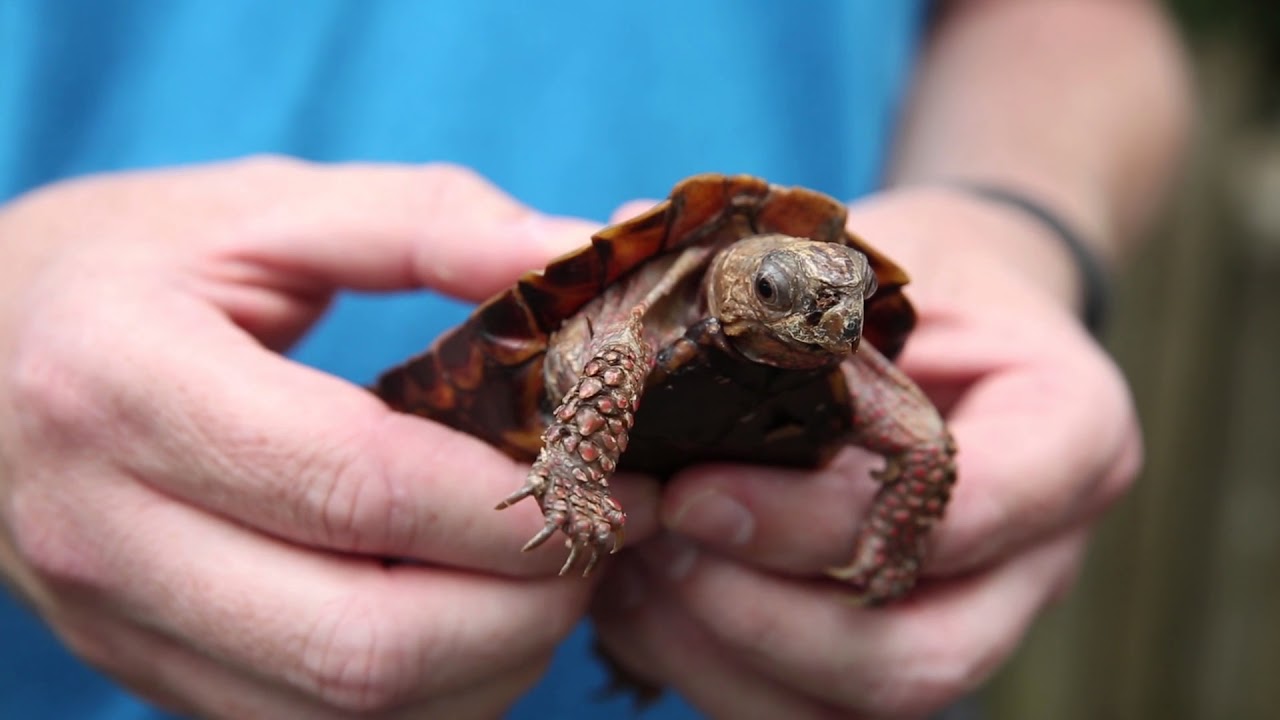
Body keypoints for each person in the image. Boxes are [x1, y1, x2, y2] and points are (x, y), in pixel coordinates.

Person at [0, 1, 1190, 718]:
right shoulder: (633, 322)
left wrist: (1016, 228)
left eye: (844, 308)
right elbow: (592, 356)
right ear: (728, 278)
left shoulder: (825, 325)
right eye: (780, 295)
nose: (819, 324)